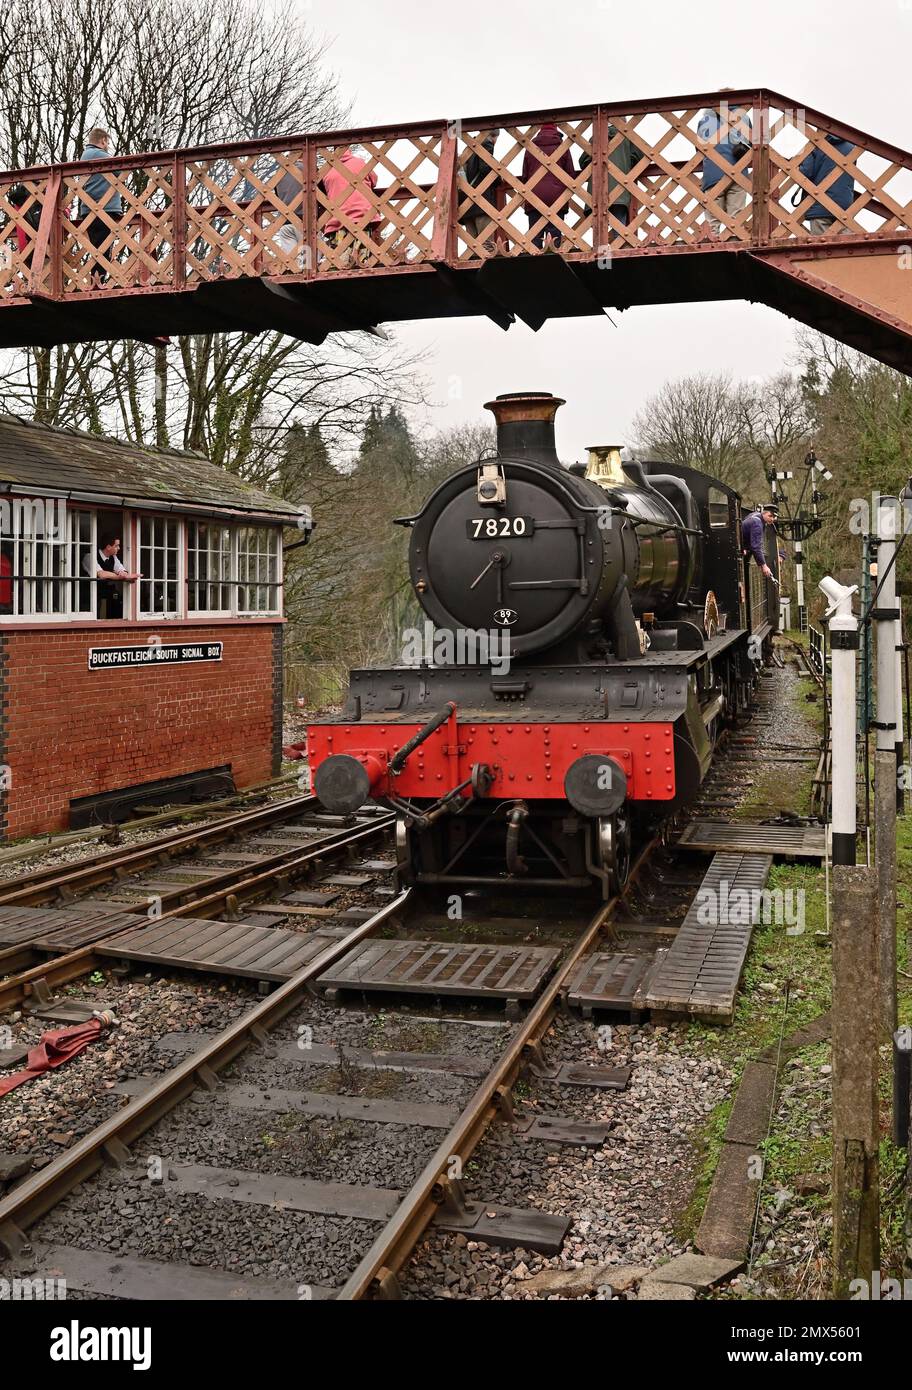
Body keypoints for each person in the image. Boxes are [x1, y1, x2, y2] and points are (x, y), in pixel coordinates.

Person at [320, 147, 382, 267]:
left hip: (337, 219)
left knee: (340, 262)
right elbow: (374, 180)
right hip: (361, 215)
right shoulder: (359, 163)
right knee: (360, 262)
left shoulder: (327, 170)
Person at [698, 101, 752, 237]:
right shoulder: (744, 117)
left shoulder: (705, 119)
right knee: (736, 217)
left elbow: (699, 148)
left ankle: (712, 242)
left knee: (713, 220)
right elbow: (752, 143)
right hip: (738, 171)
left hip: (713, 172)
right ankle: (734, 238)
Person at [78, 128, 123, 284]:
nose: (108, 146)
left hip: (93, 209)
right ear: (103, 140)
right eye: (107, 142)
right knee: (102, 250)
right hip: (103, 209)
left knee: (98, 249)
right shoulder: (98, 154)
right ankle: (99, 283)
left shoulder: (86, 155)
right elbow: (120, 169)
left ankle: (97, 281)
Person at [522, 123, 575, 250]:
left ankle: (534, 258)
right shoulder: (562, 146)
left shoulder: (531, 147)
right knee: (554, 235)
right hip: (557, 197)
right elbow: (570, 174)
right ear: (556, 130)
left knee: (535, 234)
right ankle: (554, 256)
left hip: (534, 195)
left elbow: (525, 175)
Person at [578, 124, 642, 231]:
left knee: (598, 232)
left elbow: (583, 161)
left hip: (597, 192)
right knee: (619, 229)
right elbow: (639, 157)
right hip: (620, 189)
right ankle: (618, 245)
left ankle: (599, 246)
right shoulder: (628, 136)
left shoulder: (596, 137)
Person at [796, 133, 856, 236]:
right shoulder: (851, 148)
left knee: (821, 248)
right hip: (844, 206)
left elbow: (805, 173)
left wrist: (796, 165)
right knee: (845, 248)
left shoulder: (815, 145)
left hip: (820, 204)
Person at [82, 534, 140, 619]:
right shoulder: (89, 556)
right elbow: (101, 574)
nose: (119, 548)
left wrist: (123, 573)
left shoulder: (113, 557)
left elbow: (121, 569)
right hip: (86, 597)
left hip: (102, 594)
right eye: (117, 546)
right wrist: (121, 577)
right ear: (108, 547)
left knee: (114, 603)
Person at [461, 130, 500, 254]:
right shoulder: (486, 144)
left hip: (466, 201)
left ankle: (473, 269)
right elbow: (485, 169)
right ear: (494, 136)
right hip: (481, 200)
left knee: (472, 245)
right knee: (487, 243)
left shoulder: (467, 148)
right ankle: (489, 268)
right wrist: (499, 177)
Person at [741, 504, 777, 580]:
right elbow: (756, 546)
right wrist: (764, 565)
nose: (772, 519)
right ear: (763, 513)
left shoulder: (755, 515)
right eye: (770, 516)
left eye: (774, 517)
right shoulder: (757, 523)